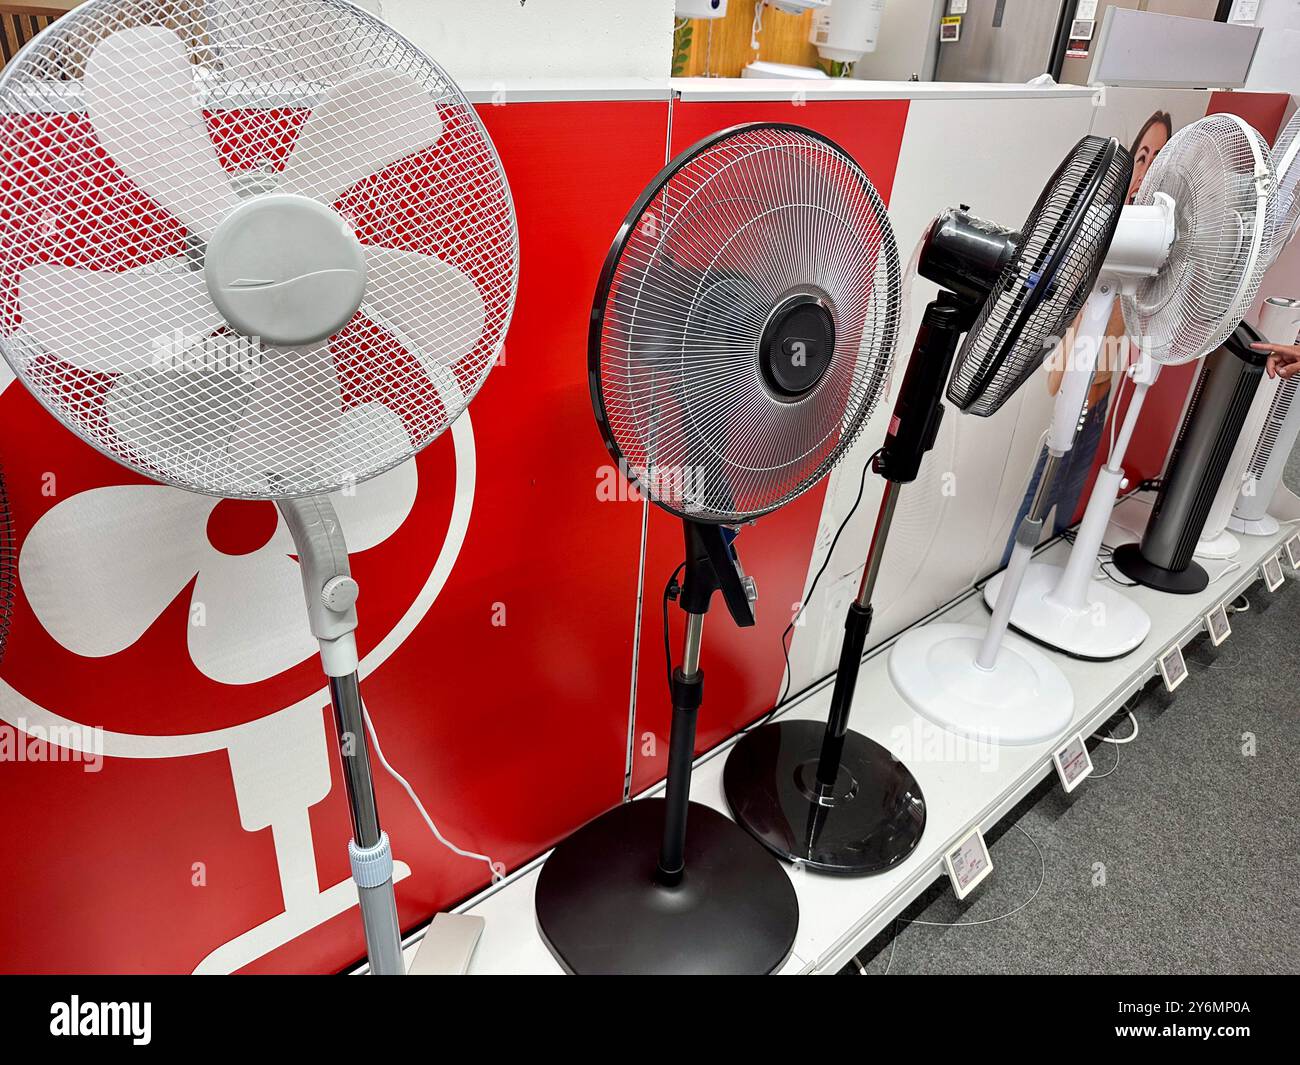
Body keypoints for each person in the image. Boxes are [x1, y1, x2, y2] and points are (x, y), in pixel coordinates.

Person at [997, 112, 1173, 567]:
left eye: (1157, 160)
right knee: (1041, 486)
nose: (1144, 170)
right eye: (1141, 156)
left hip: (1104, 387)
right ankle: (1009, 570)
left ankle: (1050, 563)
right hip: (1070, 381)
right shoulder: (1098, 222)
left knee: (1071, 490)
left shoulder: (1159, 238)